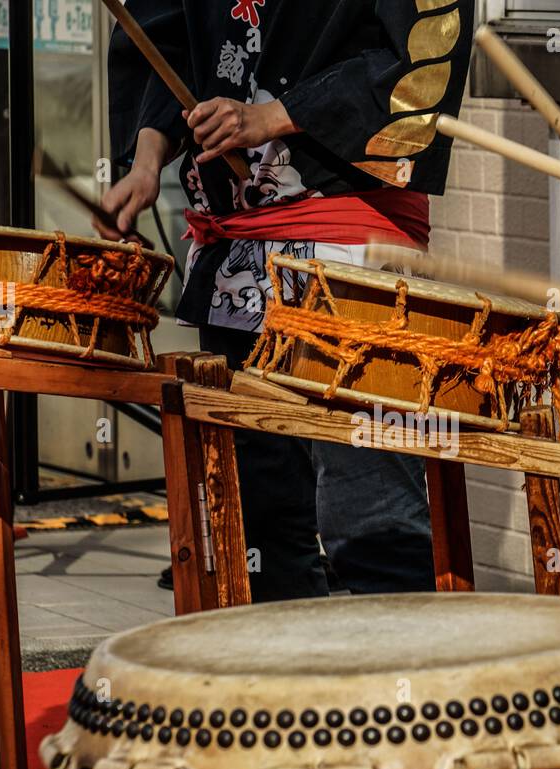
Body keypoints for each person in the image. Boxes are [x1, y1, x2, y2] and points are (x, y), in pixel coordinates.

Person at [98, 1, 474, 601]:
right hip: (235, 258)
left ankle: (405, 688)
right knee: (260, 520)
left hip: (346, 252)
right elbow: (161, 36)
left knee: (369, 510)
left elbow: (423, 59)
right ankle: (292, 690)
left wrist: (273, 117)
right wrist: (146, 166)